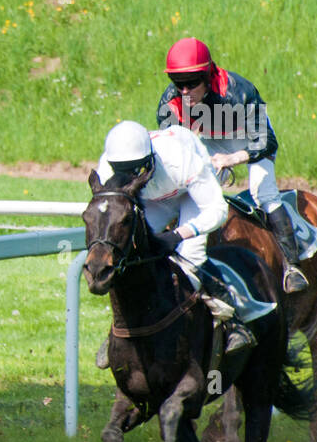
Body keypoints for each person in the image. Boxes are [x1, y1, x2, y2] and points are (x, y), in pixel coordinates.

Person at [95, 120, 256, 365]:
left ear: (149, 159)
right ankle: (119, 331)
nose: (128, 177)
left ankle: (233, 321)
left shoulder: (179, 159)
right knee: (130, 254)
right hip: (154, 198)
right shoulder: (107, 168)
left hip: (191, 192)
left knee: (190, 256)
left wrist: (178, 234)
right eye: (122, 172)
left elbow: (217, 210)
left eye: (134, 171)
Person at [157, 37, 307, 293]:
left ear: (207, 76)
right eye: (178, 84)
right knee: (185, 190)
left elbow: (267, 142)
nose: (184, 92)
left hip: (249, 138)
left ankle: (292, 267)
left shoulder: (238, 92)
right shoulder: (170, 102)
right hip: (210, 139)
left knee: (263, 192)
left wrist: (231, 160)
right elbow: (173, 151)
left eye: (192, 83)